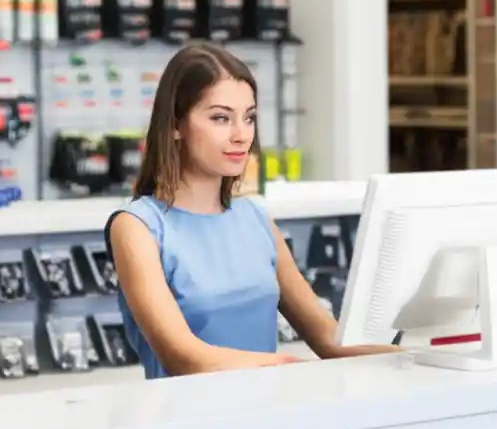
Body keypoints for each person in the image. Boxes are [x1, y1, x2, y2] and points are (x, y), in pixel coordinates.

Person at [107, 42, 397, 379]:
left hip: (265, 419)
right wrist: (287, 369)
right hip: (187, 424)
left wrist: (419, 356)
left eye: (249, 118)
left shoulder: (256, 219)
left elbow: (329, 339)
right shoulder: (137, 227)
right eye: (220, 118)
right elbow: (185, 358)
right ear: (175, 124)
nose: (241, 135)